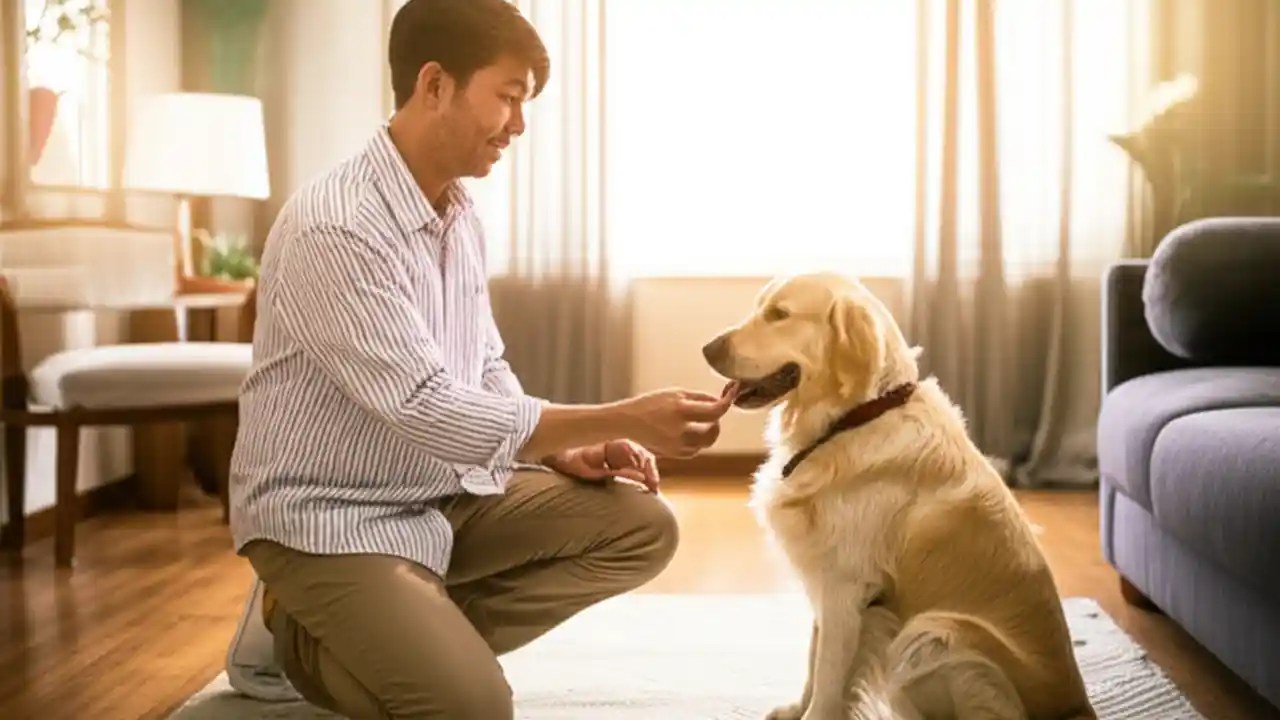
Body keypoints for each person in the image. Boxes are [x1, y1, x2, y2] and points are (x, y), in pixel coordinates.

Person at [221, 0, 736, 717]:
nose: (519, 125)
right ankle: (300, 633)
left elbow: (482, 363)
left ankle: (406, 629)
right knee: (472, 709)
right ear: (435, 85)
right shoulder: (335, 225)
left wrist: (568, 449)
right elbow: (426, 405)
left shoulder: (457, 211)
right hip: (332, 516)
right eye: (510, 98)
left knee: (642, 527)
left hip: (438, 499)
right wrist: (625, 417)